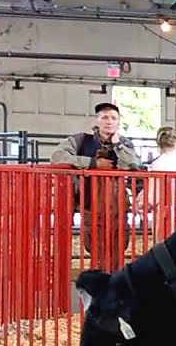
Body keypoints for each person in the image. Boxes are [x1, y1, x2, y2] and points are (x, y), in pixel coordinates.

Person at [51, 102, 144, 266]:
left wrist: (117, 144)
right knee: (94, 246)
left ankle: (114, 284)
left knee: (119, 245)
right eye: (105, 117)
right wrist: (92, 163)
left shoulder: (125, 144)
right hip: (90, 205)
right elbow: (57, 156)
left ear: (118, 122)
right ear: (97, 121)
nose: (109, 121)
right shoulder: (81, 140)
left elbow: (134, 164)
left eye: (113, 118)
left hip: (118, 207)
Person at [135, 126, 176, 240]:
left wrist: (141, 204)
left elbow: (152, 197)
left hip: (167, 216)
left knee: (167, 251)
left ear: (158, 144)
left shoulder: (157, 165)